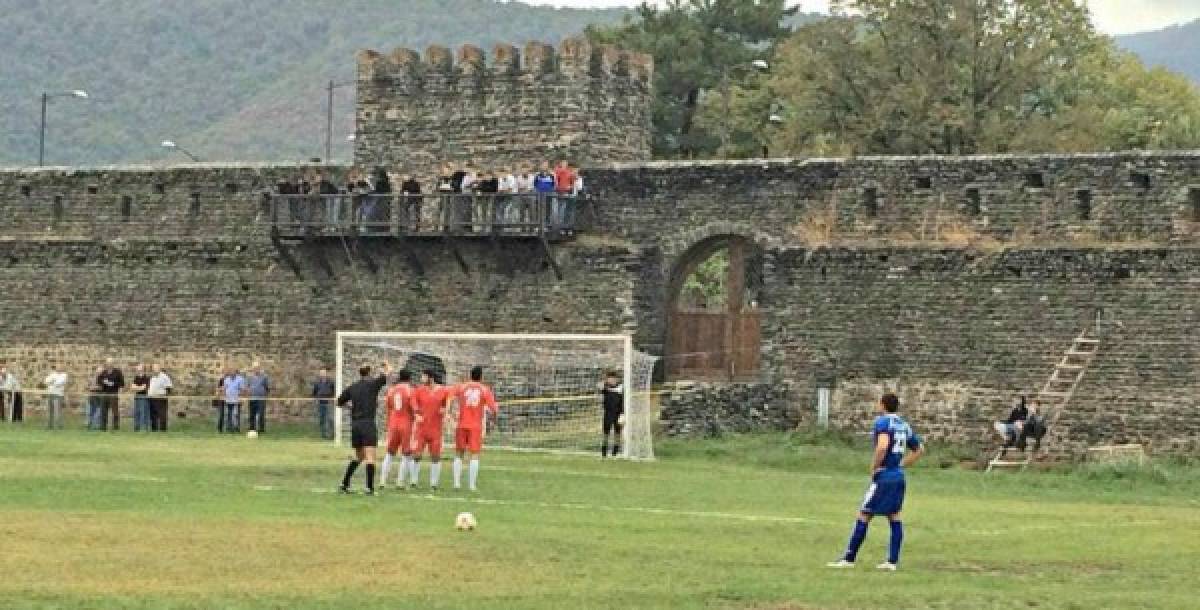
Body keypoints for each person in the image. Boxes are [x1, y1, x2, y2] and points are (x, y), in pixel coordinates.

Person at [827, 393, 923, 571]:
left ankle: (849, 558)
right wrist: (901, 465)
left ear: (883, 405)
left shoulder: (883, 423)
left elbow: (882, 446)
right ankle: (892, 561)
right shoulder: (903, 425)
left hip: (885, 476)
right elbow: (919, 450)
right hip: (898, 476)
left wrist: (874, 468)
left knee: (864, 514)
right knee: (894, 515)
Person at [335, 362, 391, 495]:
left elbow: (338, 402)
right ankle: (369, 488)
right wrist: (386, 364)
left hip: (355, 425)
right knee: (370, 457)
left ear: (359, 373)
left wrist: (351, 408)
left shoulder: (353, 387)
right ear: (370, 372)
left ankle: (344, 483)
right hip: (367, 423)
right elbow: (388, 372)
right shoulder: (373, 384)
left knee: (359, 456)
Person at [451, 366, 498, 491]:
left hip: (461, 424)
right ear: (481, 377)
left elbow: (449, 396)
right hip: (475, 427)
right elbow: (494, 409)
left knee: (459, 453)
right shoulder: (485, 389)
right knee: (475, 455)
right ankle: (471, 485)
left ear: (470, 375)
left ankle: (456, 483)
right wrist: (493, 421)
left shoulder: (461, 387)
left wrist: (450, 414)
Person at [410, 369, 451, 490]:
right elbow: (413, 402)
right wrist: (416, 413)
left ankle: (434, 483)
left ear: (430, 378)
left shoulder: (443, 390)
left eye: (424, 376)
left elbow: (446, 404)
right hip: (421, 429)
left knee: (435, 457)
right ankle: (413, 481)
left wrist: (445, 411)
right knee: (416, 455)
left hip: (436, 430)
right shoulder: (419, 390)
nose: (421, 379)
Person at [380, 370, 417, 490]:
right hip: (406, 424)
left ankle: (382, 481)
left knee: (390, 453)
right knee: (406, 454)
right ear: (409, 378)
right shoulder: (410, 390)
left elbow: (389, 407)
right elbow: (413, 407)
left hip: (393, 423)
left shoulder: (392, 390)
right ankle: (400, 482)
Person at [599, 370, 623, 458]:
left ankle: (615, 452)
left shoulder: (621, 388)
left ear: (616, 379)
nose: (612, 380)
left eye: (614, 379)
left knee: (617, 433)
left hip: (618, 414)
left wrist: (623, 413)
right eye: (610, 378)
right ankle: (604, 452)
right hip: (608, 413)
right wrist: (604, 380)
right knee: (606, 433)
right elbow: (600, 387)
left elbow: (623, 401)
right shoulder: (605, 388)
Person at [97, 359, 125, 430]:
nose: (109, 364)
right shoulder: (104, 372)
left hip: (113, 394)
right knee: (103, 411)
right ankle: (103, 427)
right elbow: (99, 381)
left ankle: (115, 427)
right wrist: (104, 382)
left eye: (110, 363)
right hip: (104, 394)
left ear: (113, 363)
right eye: (108, 363)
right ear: (106, 364)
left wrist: (113, 383)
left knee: (115, 411)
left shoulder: (118, 372)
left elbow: (122, 383)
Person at [218, 367, 246, 433]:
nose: (231, 373)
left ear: (236, 372)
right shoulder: (226, 379)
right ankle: (229, 428)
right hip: (228, 400)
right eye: (230, 372)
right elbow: (224, 389)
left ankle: (237, 428)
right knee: (229, 414)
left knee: (236, 414)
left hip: (236, 400)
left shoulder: (240, 379)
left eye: (233, 372)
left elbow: (242, 389)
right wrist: (222, 395)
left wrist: (242, 398)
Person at [312, 368, 336, 440]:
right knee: (322, 419)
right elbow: (314, 393)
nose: (323, 374)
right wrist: (316, 399)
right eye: (321, 373)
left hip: (328, 403)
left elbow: (333, 392)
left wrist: (332, 399)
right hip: (320, 403)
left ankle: (332, 435)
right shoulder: (317, 383)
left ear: (326, 373)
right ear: (320, 374)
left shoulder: (331, 382)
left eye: (324, 373)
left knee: (330, 419)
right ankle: (324, 435)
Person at [147, 364, 173, 432]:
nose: (154, 369)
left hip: (161, 399)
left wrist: (164, 395)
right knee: (153, 415)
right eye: (153, 368)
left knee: (162, 415)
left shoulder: (164, 377)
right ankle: (154, 430)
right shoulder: (152, 377)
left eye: (156, 368)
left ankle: (163, 430)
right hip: (152, 398)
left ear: (159, 368)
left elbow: (169, 388)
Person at [247, 361, 270, 435]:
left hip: (261, 399)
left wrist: (264, 395)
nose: (256, 369)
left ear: (259, 368)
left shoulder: (264, 377)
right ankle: (252, 428)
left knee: (261, 415)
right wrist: (248, 393)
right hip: (252, 398)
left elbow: (267, 387)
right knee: (252, 414)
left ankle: (261, 429)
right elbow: (248, 386)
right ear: (252, 369)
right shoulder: (250, 377)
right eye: (254, 368)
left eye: (257, 368)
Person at [42, 363, 68, 430]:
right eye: (56, 367)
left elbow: (59, 383)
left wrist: (52, 382)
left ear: (62, 368)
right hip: (50, 393)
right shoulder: (52, 374)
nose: (57, 368)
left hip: (58, 395)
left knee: (57, 412)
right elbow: (46, 381)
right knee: (49, 411)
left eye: (59, 367)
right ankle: (49, 425)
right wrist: (52, 381)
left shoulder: (64, 375)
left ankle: (58, 426)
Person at [130, 363, 151, 432]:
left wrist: (137, 387)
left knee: (143, 412)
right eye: (137, 366)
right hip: (137, 397)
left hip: (144, 397)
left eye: (139, 366)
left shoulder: (146, 378)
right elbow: (132, 387)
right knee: (137, 412)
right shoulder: (136, 377)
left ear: (142, 368)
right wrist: (138, 387)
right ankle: (137, 428)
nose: (137, 368)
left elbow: (144, 388)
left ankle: (143, 428)